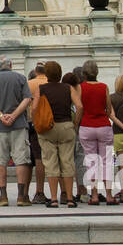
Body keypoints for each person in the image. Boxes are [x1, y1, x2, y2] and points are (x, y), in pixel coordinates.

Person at [0, 56, 33, 206]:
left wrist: (1, 116)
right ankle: (21, 196)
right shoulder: (20, 78)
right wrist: (14, 115)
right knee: (21, 160)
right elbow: (27, 99)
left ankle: (3, 196)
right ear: (11, 64)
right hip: (18, 125)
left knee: (0, 162)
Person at [36, 61, 80, 207]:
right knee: (67, 162)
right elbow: (79, 106)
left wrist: (37, 123)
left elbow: (34, 108)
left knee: (50, 162)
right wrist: (75, 123)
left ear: (46, 74)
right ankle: (69, 199)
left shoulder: (41, 88)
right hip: (66, 125)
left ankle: (54, 199)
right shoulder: (67, 88)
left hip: (48, 127)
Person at [78, 60, 117, 205]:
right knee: (106, 161)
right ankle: (108, 194)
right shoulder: (103, 87)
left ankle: (94, 195)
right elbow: (108, 108)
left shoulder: (81, 88)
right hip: (103, 126)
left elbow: (79, 107)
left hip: (87, 126)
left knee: (91, 162)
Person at [62, 71, 86, 200]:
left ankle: (66, 192)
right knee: (80, 161)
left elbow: (79, 108)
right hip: (82, 129)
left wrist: (75, 124)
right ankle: (82, 190)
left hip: (68, 129)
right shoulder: (82, 90)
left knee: (67, 160)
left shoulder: (66, 92)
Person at [26, 62, 49, 204]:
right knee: (42, 158)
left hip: (30, 123)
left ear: (35, 71)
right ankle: (40, 191)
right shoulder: (52, 83)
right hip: (48, 123)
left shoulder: (28, 84)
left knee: (29, 160)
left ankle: (24, 193)